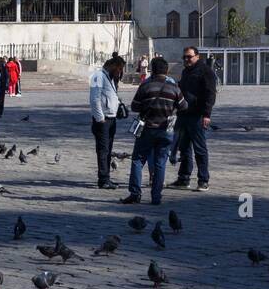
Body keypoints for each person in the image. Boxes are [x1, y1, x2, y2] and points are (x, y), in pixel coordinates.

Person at [122, 56, 187, 206]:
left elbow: (135, 106)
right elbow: (184, 106)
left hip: (147, 129)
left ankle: (135, 193)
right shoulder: (174, 88)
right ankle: (156, 197)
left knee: (138, 160)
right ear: (166, 71)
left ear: (152, 70)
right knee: (160, 163)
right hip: (166, 130)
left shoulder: (145, 86)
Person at [170, 46, 217, 191]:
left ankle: (203, 180)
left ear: (197, 56)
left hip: (197, 115)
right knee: (184, 148)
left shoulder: (206, 71)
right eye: (184, 57)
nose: (186, 60)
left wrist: (207, 114)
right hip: (183, 114)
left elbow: (210, 94)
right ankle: (184, 178)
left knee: (200, 149)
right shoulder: (185, 72)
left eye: (189, 57)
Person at [89, 55, 125, 190]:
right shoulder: (98, 76)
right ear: (112, 66)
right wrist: (100, 118)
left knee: (108, 149)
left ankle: (107, 177)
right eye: (119, 69)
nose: (120, 72)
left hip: (111, 117)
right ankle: (103, 179)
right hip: (103, 119)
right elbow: (94, 98)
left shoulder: (110, 78)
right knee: (103, 150)